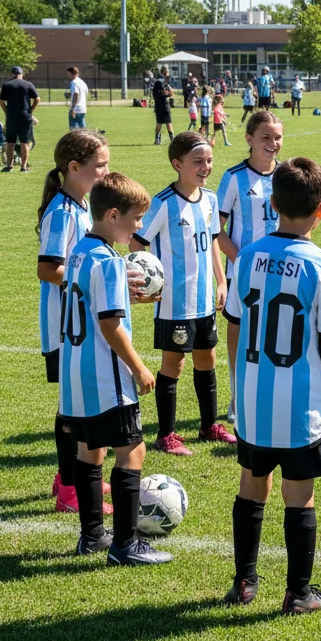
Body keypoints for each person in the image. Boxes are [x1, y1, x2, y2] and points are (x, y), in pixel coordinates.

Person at [223, 157, 321, 612]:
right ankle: (298, 592)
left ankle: (244, 583)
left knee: (250, 485)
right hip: (301, 407)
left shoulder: (249, 256)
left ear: (272, 202)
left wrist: (238, 380)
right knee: (300, 494)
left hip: (255, 398)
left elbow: (235, 325)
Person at [60, 172, 172, 566]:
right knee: (133, 452)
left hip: (75, 378)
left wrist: (126, 297)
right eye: (135, 218)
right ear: (112, 215)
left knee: (90, 451)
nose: (139, 226)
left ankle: (91, 536)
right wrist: (139, 368)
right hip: (106, 378)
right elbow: (109, 324)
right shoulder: (109, 261)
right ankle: (126, 545)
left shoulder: (78, 253)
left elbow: (90, 307)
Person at [131, 132, 234, 455]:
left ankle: (208, 426)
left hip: (204, 299)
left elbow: (214, 241)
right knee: (173, 365)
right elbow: (137, 243)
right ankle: (166, 434)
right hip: (174, 303)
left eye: (209, 161)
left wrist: (221, 281)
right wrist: (149, 283)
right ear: (177, 164)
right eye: (197, 162)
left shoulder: (211, 199)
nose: (205, 167)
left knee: (207, 359)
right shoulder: (163, 203)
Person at [38, 131, 114, 514]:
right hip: (64, 326)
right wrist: (88, 276)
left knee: (73, 407)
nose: (106, 171)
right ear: (74, 167)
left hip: (78, 323)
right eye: (100, 165)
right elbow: (47, 268)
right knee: (72, 412)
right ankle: (70, 488)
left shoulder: (82, 205)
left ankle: (65, 477)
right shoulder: (62, 211)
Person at [216, 111, 283, 424]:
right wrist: (239, 260)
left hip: (282, 273)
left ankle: (271, 395)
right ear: (249, 140)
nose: (272, 143)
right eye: (266, 137)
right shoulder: (234, 177)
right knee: (241, 336)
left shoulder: (287, 175)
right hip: (243, 274)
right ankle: (236, 395)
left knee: (276, 337)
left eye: (277, 137)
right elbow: (216, 228)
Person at [0, 65, 39, 173]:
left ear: (12, 74)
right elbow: (37, 98)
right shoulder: (28, 84)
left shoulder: (7, 85)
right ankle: (24, 166)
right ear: (21, 74)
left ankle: (9, 166)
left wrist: (6, 111)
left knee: (10, 142)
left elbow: (1, 100)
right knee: (24, 142)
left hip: (11, 117)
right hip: (25, 117)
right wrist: (31, 110)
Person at [153, 67, 175, 145]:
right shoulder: (162, 82)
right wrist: (169, 91)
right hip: (164, 106)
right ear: (165, 72)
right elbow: (168, 93)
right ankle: (172, 139)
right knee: (168, 122)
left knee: (159, 122)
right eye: (168, 71)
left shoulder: (157, 81)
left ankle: (157, 139)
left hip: (158, 106)